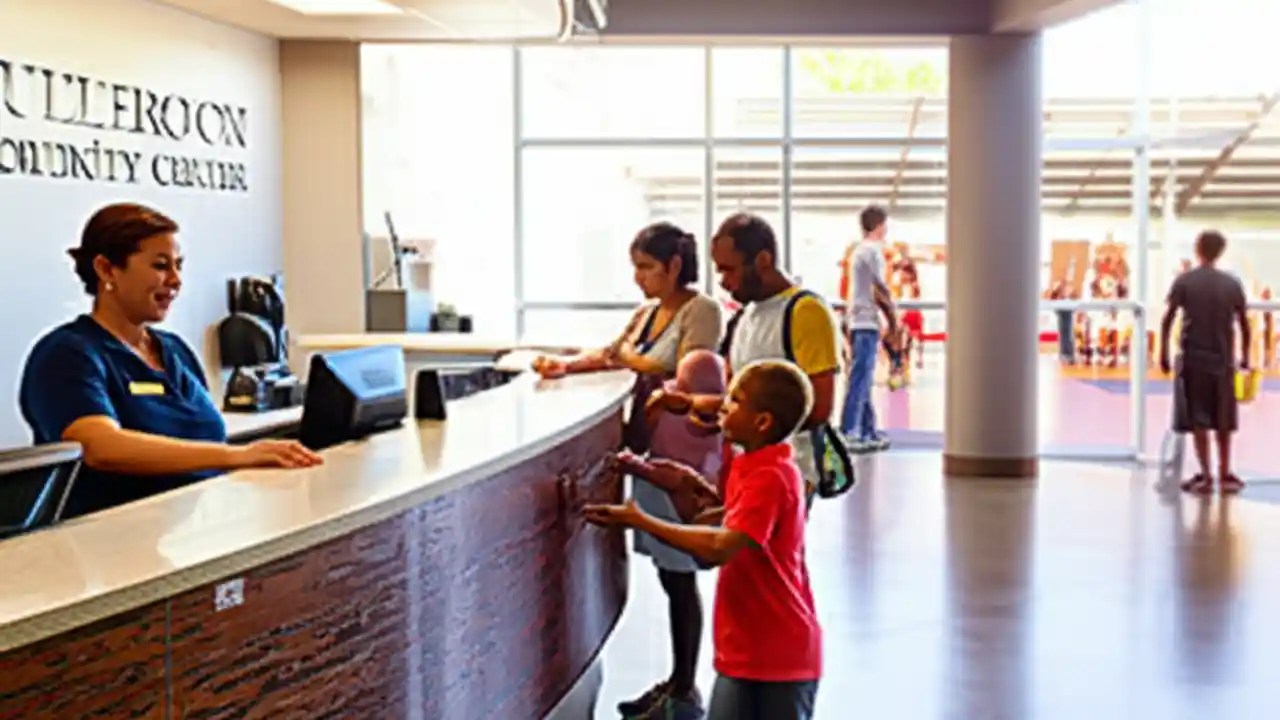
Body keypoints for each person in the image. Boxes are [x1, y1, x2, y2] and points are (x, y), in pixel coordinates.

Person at [18, 202, 322, 520]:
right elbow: (100, 447)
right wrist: (236, 455)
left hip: (192, 537)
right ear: (106, 269)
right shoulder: (68, 354)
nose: (175, 280)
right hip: (110, 547)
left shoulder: (174, 350)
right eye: (161, 266)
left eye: (179, 266)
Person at [532, 222, 722, 720]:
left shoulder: (700, 312)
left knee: (680, 575)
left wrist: (638, 369)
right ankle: (677, 683)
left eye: (646, 267)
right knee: (667, 571)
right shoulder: (646, 314)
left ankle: (684, 690)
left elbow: (684, 377)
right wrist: (566, 366)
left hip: (678, 461)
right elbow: (612, 354)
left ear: (674, 267)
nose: (638, 278)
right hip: (647, 454)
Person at [584, 360, 822, 720]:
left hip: (776, 658)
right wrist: (686, 485)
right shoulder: (752, 464)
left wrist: (641, 520)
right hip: (744, 651)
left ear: (762, 422)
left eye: (736, 399)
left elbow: (718, 546)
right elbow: (714, 528)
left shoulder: (771, 476)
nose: (723, 404)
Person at [655, 212, 839, 500]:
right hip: (744, 468)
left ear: (763, 260)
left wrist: (730, 418)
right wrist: (710, 413)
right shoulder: (742, 317)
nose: (724, 282)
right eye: (719, 272)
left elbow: (818, 408)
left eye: (730, 270)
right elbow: (738, 398)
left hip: (787, 471)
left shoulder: (805, 312)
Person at [1159, 230, 1249, 495]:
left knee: (1198, 416)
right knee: (1223, 415)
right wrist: (1245, 356)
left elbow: (1168, 320)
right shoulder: (1232, 285)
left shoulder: (1185, 282)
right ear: (1220, 251)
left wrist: (1163, 353)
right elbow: (1244, 323)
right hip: (1223, 358)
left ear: (1198, 250)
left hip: (1194, 357)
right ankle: (1224, 471)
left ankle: (1206, 475)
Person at [840, 205, 897, 453]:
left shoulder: (858, 251)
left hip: (857, 319)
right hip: (866, 321)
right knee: (860, 378)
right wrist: (893, 320)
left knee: (863, 377)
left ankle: (867, 430)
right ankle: (849, 430)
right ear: (879, 225)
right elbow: (879, 289)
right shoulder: (873, 251)